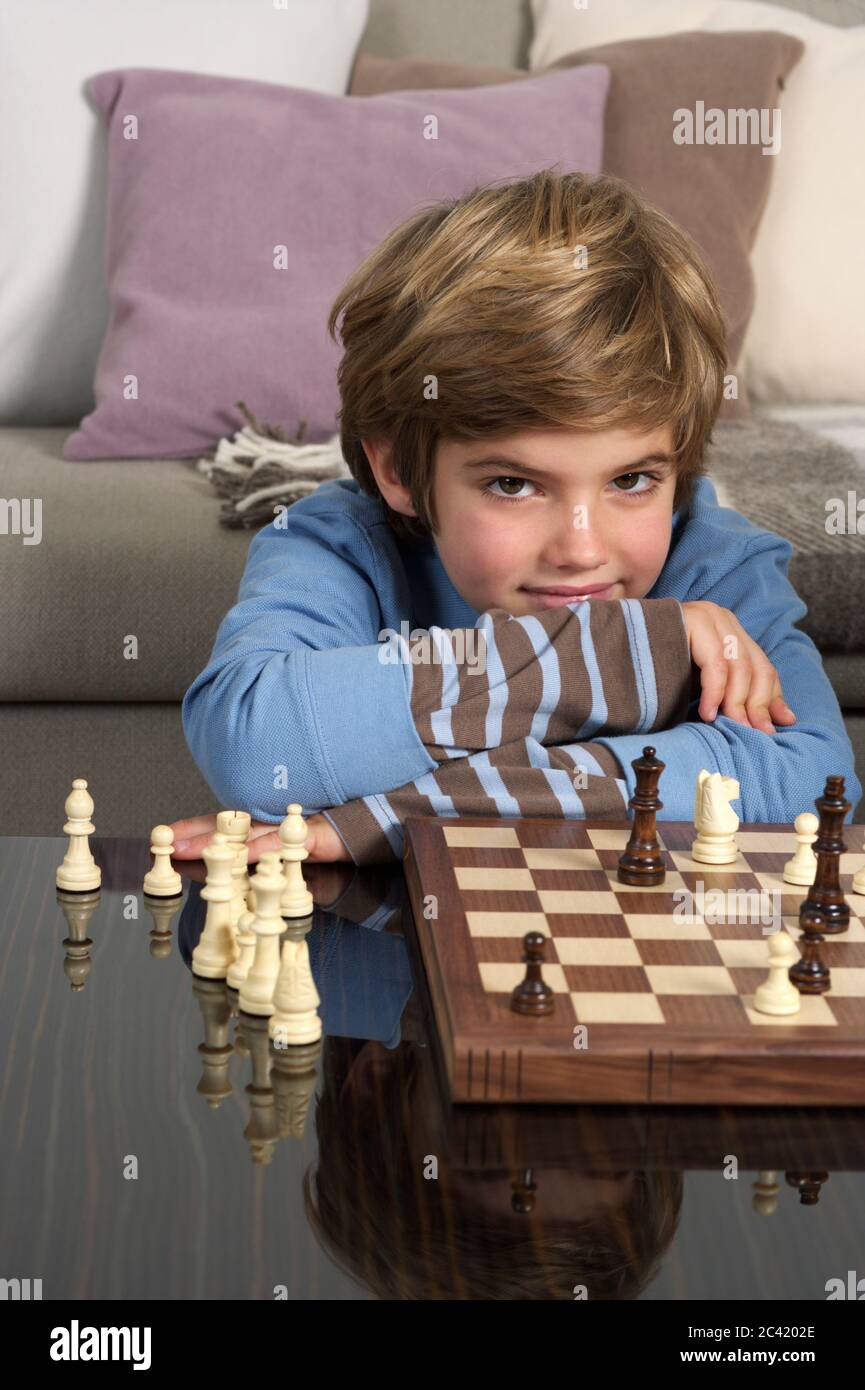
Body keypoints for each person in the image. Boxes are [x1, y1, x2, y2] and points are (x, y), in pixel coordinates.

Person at [173, 170, 861, 866]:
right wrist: (634, 652)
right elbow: (255, 748)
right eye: (513, 484)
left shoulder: (714, 563)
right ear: (399, 472)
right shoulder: (338, 545)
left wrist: (395, 815)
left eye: (631, 479)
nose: (581, 549)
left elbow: (810, 784)